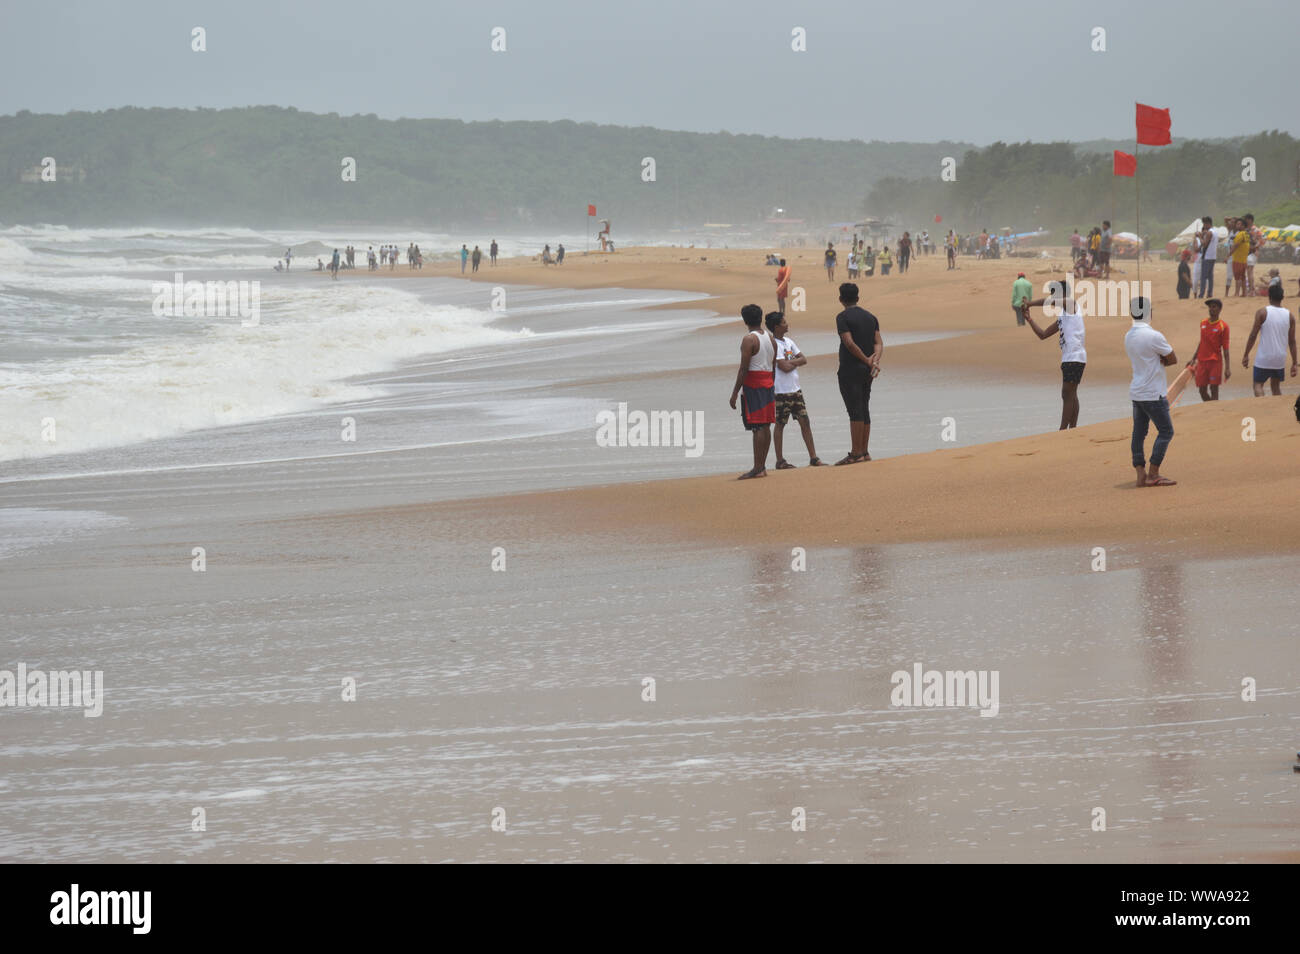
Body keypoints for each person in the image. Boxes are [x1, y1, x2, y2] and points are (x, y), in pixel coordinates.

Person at [1125, 297, 1177, 487]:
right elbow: (1172, 358)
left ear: (1132, 313)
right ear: (1149, 313)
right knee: (1166, 431)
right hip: (1153, 393)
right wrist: (1161, 360)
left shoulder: (1128, 335)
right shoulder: (1154, 335)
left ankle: (1140, 472)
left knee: (1139, 433)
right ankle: (1153, 473)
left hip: (1137, 392)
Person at [1022, 279, 1086, 429]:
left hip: (1075, 356)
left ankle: (1063, 429)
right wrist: (1030, 319)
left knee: (1066, 393)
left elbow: (1050, 302)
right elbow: (1043, 334)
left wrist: (1030, 303)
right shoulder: (1063, 316)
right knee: (1071, 393)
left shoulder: (1071, 304)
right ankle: (1072, 428)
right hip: (1070, 357)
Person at [765, 312, 824, 468]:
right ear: (777, 326)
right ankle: (780, 460)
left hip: (795, 389)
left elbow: (803, 359)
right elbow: (783, 367)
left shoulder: (789, 341)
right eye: (784, 322)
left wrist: (791, 363)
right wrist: (793, 363)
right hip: (780, 391)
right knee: (780, 424)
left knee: (805, 422)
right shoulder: (774, 344)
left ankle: (814, 457)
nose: (787, 324)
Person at [833, 282, 882, 464]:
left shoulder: (842, 317)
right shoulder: (871, 317)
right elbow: (878, 342)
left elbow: (849, 343)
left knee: (854, 410)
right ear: (858, 298)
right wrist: (874, 361)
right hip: (867, 371)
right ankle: (864, 451)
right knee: (864, 407)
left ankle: (855, 453)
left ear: (841, 299)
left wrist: (866, 359)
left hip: (850, 368)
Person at [728, 304, 776, 479]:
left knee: (757, 427)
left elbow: (744, 369)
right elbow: (774, 366)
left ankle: (757, 467)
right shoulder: (770, 338)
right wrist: (772, 384)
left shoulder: (749, 340)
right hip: (768, 383)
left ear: (745, 320)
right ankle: (762, 466)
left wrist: (734, 393)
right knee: (766, 425)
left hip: (754, 385)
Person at [1240, 283, 1298, 396]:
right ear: (1282, 297)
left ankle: (1262, 407)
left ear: (1269, 297)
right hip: (1280, 358)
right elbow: (1292, 342)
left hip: (1264, 357)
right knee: (1275, 387)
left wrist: (1246, 354)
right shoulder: (1290, 316)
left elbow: (1253, 335)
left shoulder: (1263, 312)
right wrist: (1294, 363)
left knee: (1258, 385)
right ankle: (1275, 410)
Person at [1187, 298, 1231, 401]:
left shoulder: (1223, 326)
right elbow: (1201, 342)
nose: (1211, 309)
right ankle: (1210, 409)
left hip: (1215, 362)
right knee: (1202, 390)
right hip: (1202, 362)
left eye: (1214, 307)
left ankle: (1214, 412)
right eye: (1210, 307)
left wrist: (1228, 368)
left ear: (1220, 309)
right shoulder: (1203, 323)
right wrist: (1193, 358)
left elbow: (1226, 349)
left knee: (1214, 388)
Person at [1195, 217, 1217, 298]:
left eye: (1204, 224)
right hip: (1213, 256)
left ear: (1208, 224)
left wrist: (1200, 237)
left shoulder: (1209, 233)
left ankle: (1201, 294)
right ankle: (1210, 293)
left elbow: (1204, 244)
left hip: (1207, 256)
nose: (1204, 226)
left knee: (1203, 277)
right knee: (1210, 276)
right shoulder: (1215, 232)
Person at [1228, 218, 1250, 298]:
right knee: (1243, 277)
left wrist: (1228, 256)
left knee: (1237, 277)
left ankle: (1237, 293)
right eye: (1237, 224)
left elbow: (1235, 246)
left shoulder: (1240, 234)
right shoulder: (1246, 234)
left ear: (1243, 226)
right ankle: (1244, 293)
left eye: (1239, 224)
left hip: (1238, 259)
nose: (1237, 225)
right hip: (1244, 260)